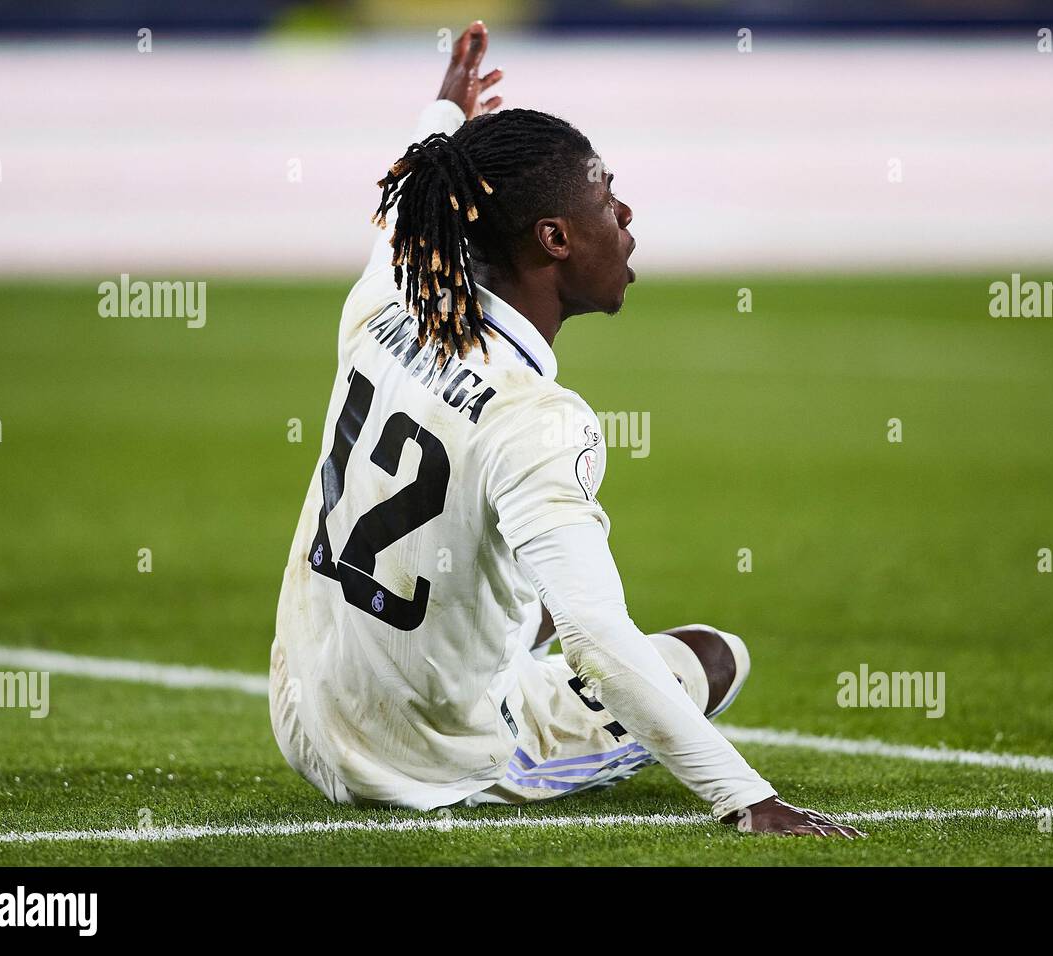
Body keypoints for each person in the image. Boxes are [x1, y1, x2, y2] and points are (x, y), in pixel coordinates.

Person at [270, 20, 863, 838]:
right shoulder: (538, 418)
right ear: (554, 238)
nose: (625, 213)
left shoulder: (390, 299)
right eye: (606, 197)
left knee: (527, 586)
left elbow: (404, 208)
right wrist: (747, 797)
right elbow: (598, 640)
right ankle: (488, 745)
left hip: (302, 711)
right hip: (418, 765)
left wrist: (444, 117)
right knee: (714, 657)